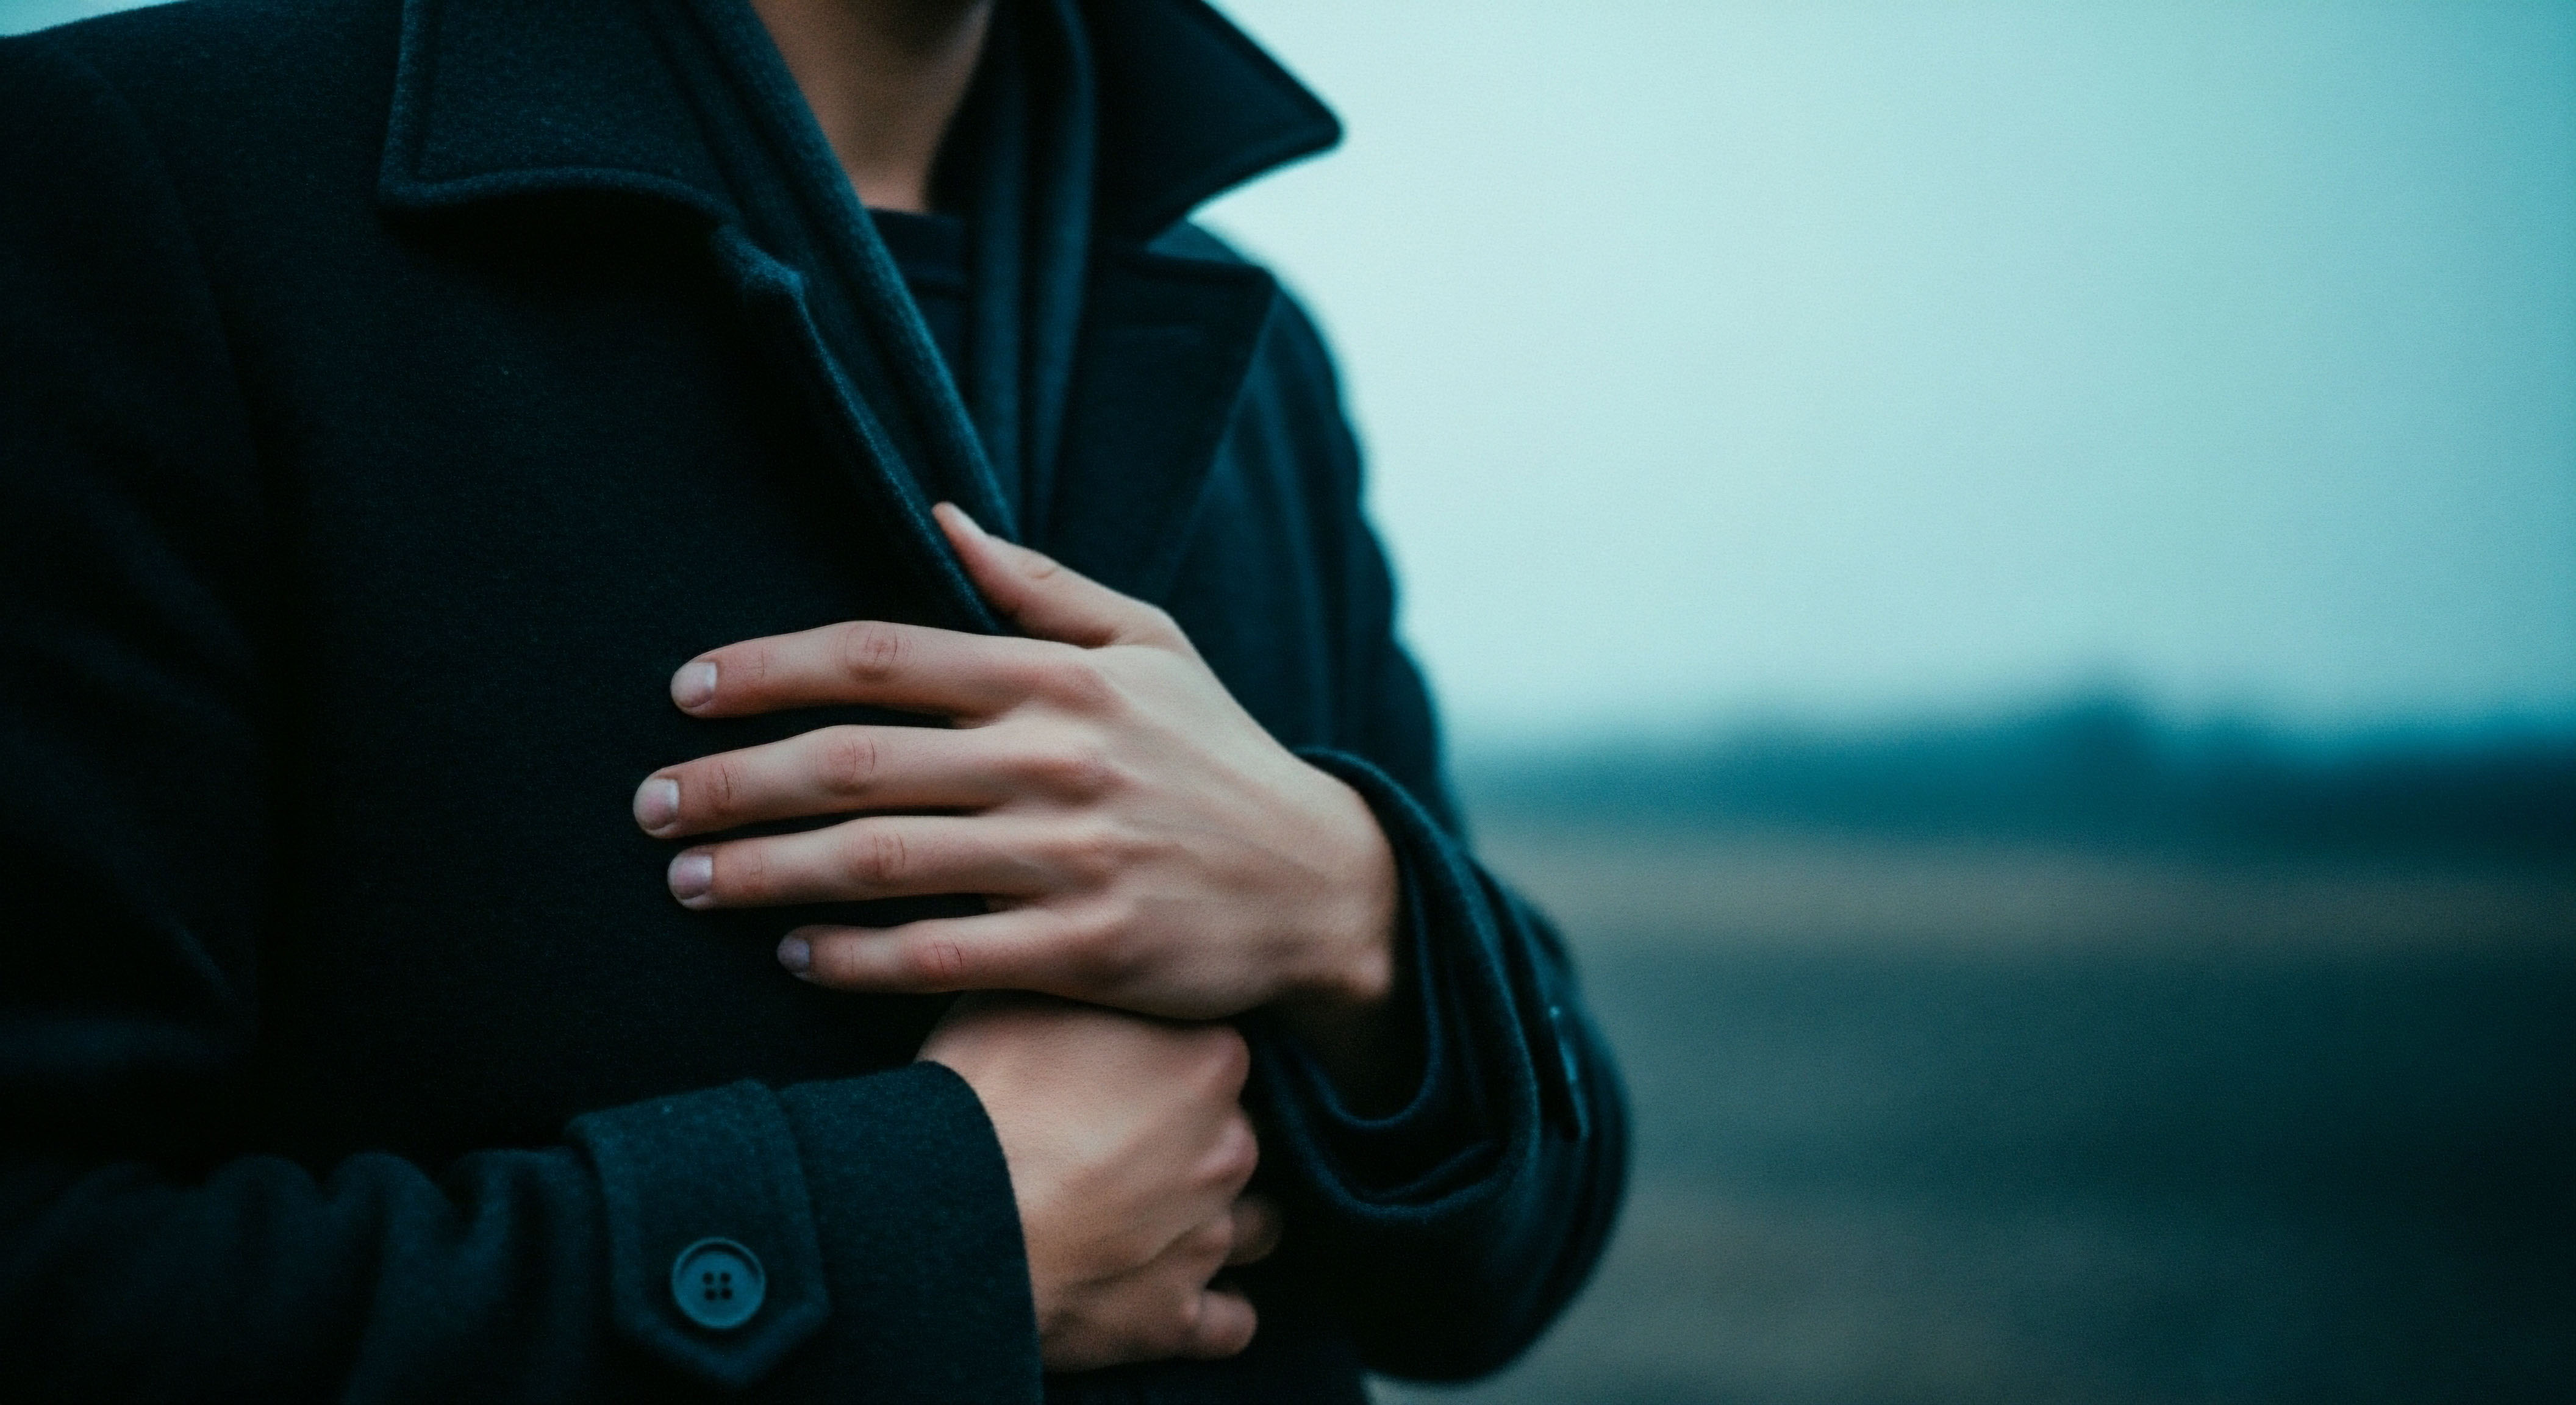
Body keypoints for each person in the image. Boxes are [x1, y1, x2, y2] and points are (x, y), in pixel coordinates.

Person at [0, 0, 1626, 1398]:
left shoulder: (1249, 343)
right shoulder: (124, 176)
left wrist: (1349, 911)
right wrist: (897, 1248)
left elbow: (1498, 1279)